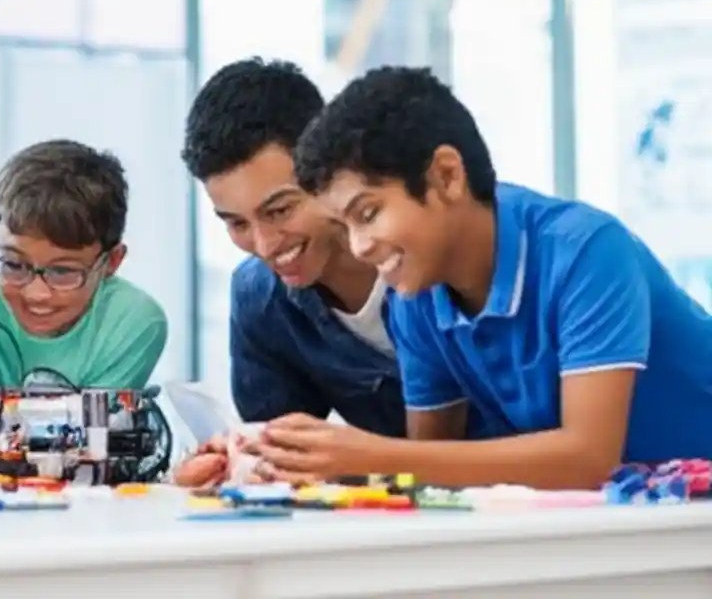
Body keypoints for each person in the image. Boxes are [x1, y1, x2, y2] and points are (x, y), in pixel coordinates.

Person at [262, 65, 712, 489]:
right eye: (344, 227)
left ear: (447, 176)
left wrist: (375, 456)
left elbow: (589, 458)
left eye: (368, 213)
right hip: (621, 520)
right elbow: (431, 466)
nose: (359, 247)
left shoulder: (586, 251)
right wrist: (302, 464)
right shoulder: (414, 298)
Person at [171, 58, 405, 487]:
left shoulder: (424, 255)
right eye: (236, 223)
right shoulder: (260, 299)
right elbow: (283, 469)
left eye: (280, 209)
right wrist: (242, 461)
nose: (264, 245)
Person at [0, 139, 167, 403]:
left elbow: (96, 438)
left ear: (111, 262)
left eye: (63, 271)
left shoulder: (132, 324)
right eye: (14, 265)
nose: (36, 294)